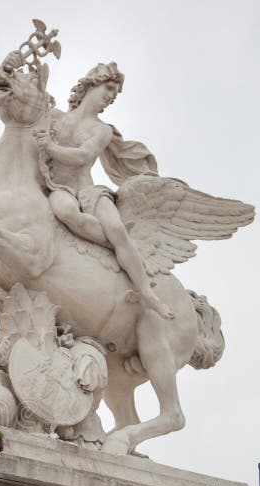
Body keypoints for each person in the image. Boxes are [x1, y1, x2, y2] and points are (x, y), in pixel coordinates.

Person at [34, 63, 173, 319]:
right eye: (109, 88)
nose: (110, 96)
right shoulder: (55, 117)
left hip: (88, 192)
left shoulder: (102, 130)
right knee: (65, 212)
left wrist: (51, 148)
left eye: (115, 94)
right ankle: (115, 251)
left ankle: (145, 289)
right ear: (92, 84)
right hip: (59, 188)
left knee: (117, 229)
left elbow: (84, 155)